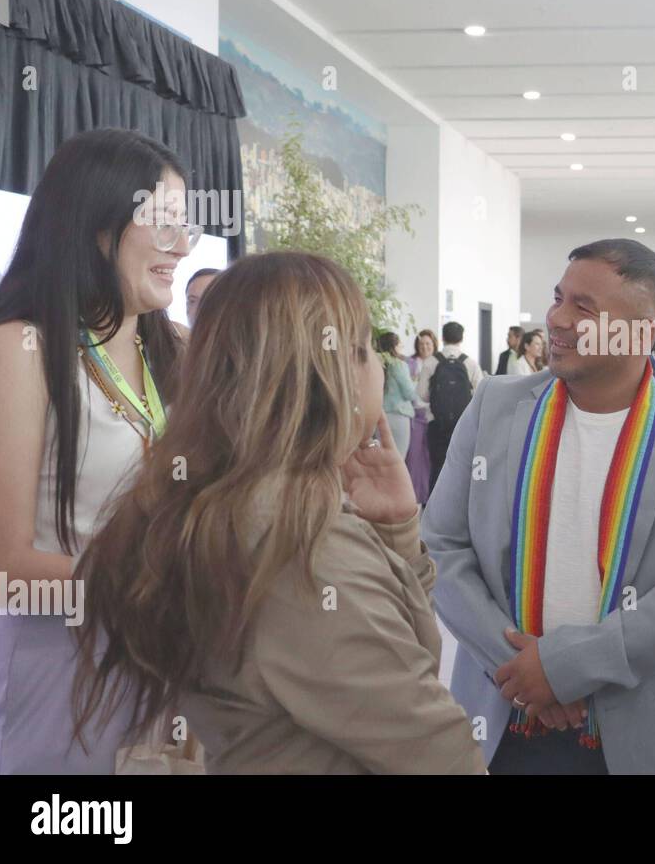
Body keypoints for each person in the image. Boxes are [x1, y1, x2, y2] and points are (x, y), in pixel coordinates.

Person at [70, 252, 484, 774]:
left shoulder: (230, 503)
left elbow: (398, 667)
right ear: (326, 372)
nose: (377, 365)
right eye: (362, 348)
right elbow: (432, 747)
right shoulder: (302, 542)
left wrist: (396, 532)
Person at [422, 238, 655, 774]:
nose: (556, 318)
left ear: (640, 333)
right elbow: (443, 544)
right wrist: (522, 671)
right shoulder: (495, 409)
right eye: (558, 297)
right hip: (502, 716)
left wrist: (561, 668)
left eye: (584, 308)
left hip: (642, 734)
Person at [0, 129, 194, 773]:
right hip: (63, 677)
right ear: (98, 225)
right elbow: (0, 573)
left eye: (186, 228)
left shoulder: (177, 350)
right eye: (163, 224)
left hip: (168, 669)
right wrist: (158, 588)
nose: (182, 247)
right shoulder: (23, 347)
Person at [417, 321, 483, 492]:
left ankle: (433, 510)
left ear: (443, 338)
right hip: (462, 425)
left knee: (437, 466)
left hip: (436, 424)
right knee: (461, 468)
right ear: (461, 338)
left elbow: (422, 394)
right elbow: (479, 394)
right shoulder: (470, 363)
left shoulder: (431, 362)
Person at [404, 329, 436, 504]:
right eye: (422, 344)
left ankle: (428, 495)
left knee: (430, 458)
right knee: (415, 457)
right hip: (415, 415)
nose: (425, 347)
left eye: (428, 344)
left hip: (431, 415)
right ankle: (414, 494)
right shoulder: (410, 363)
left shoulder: (437, 363)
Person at [376, 331, 418, 459]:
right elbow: (409, 393)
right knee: (398, 460)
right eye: (399, 343)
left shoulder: (376, 364)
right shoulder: (399, 365)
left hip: (380, 417)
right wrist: (415, 382)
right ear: (394, 346)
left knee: (381, 459)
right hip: (399, 417)